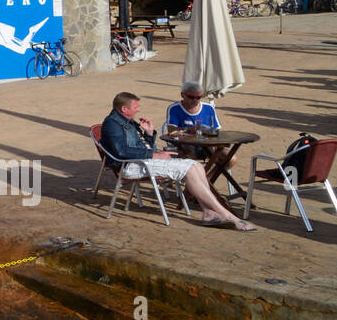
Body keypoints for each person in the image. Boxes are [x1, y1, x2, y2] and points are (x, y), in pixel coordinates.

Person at [99, 91, 254, 231]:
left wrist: (148, 133)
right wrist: (154, 155)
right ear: (124, 109)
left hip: (143, 160)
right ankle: (225, 213)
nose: (138, 109)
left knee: (196, 165)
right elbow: (121, 152)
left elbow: (144, 146)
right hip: (131, 166)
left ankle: (208, 212)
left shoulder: (128, 121)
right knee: (188, 169)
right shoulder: (112, 124)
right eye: (135, 107)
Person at [166, 81, 236, 169]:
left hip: (208, 146)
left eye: (198, 97)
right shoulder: (174, 109)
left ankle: (208, 178)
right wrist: (188, 129)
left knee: (231, 158)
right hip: (185, 145)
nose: (195, 100)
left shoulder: (208, 108)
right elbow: (171, 130)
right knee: (189, 162)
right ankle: (199, 179)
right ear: (182, 95)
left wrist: (206, 130)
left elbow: (216, 130)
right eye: (191, 97)